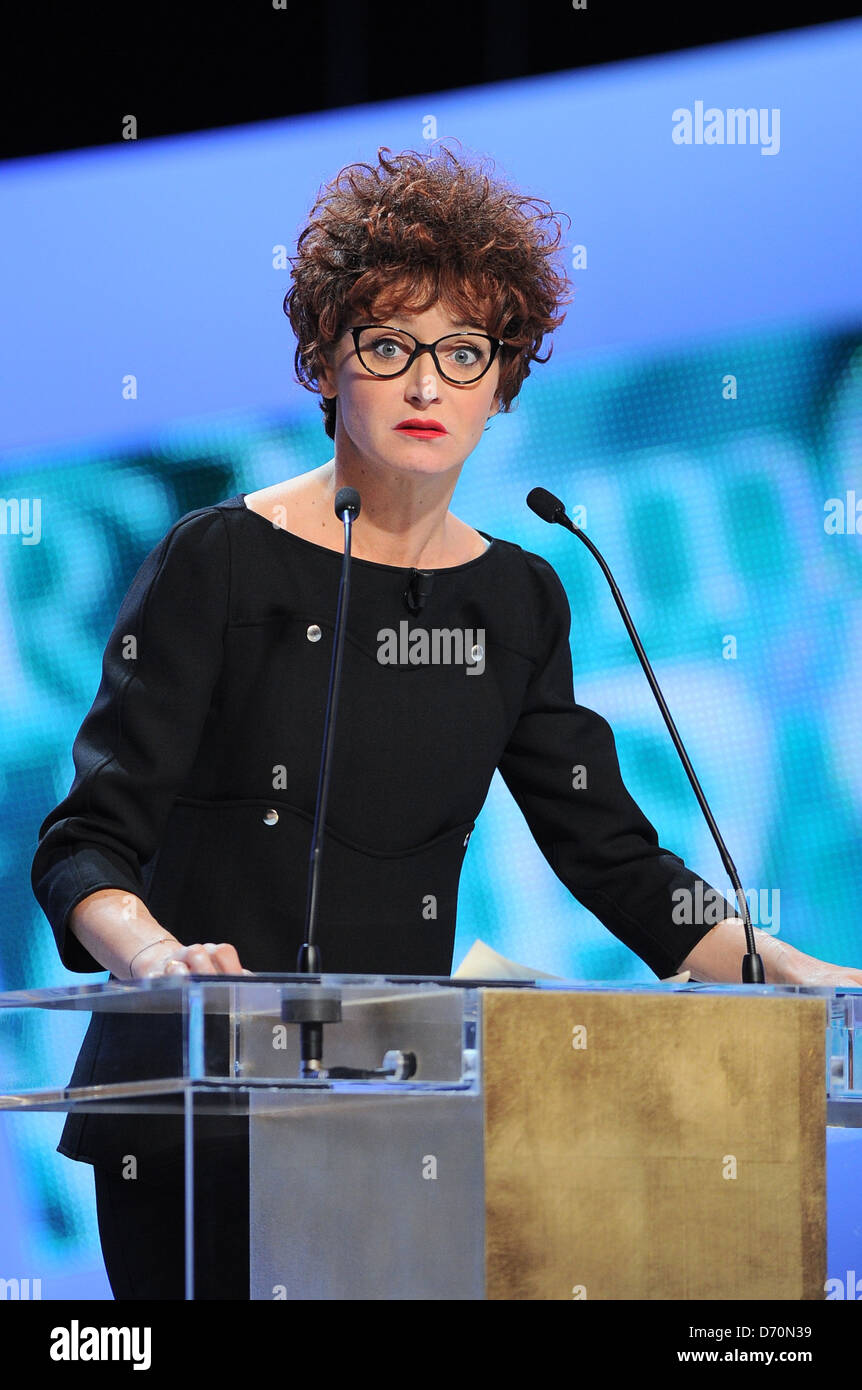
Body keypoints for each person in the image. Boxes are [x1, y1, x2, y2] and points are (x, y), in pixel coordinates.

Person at [31, 143, 862, 1300]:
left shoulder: (518, 595)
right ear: (327, 362)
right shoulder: (216, 562)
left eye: (464, 353)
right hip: (187, 1109)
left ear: (502, 379)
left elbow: (615, 861)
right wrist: (158, 957)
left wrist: (786, 968)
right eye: (390, 347)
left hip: (384, 1110)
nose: (428, 386)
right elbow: (85, 844)